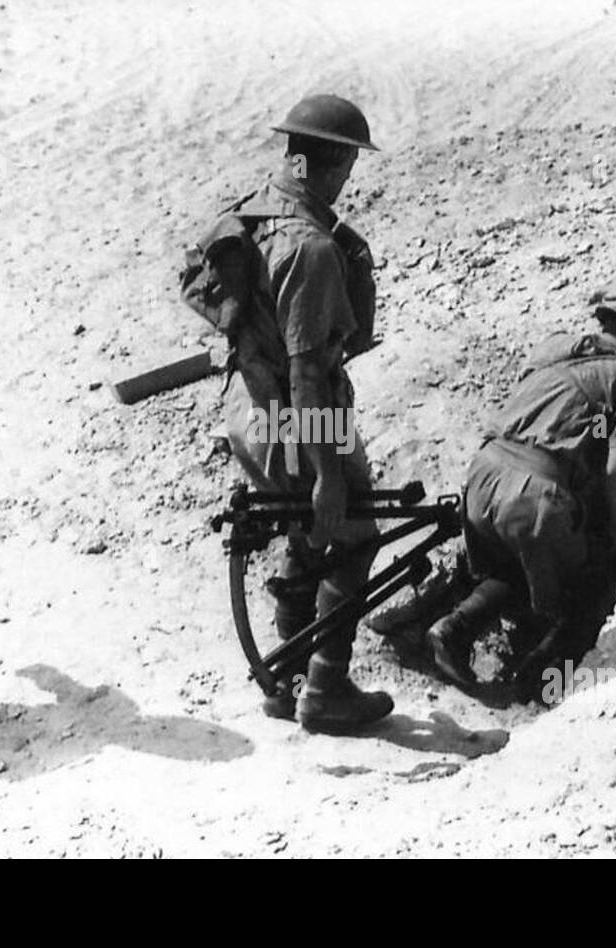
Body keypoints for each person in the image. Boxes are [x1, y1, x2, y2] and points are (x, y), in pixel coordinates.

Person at [220, 94, 393, 733]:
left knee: (303, 530)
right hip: (294, 412)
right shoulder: (312, 249)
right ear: (339, 163)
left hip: (249, 403)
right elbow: (308, 370)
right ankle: (325, 690)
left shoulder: (260, 210)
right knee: (352, 531)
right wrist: (325, 473)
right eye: (349, 162)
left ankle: (284, 680)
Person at [427, 297, 616, 695]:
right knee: (583, 572)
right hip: (530, 493)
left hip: (479, 477)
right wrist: (614, 529)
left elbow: (568, 417)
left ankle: (453, 629)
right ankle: (537, 679)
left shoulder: (553, 351)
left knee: (522, 558)